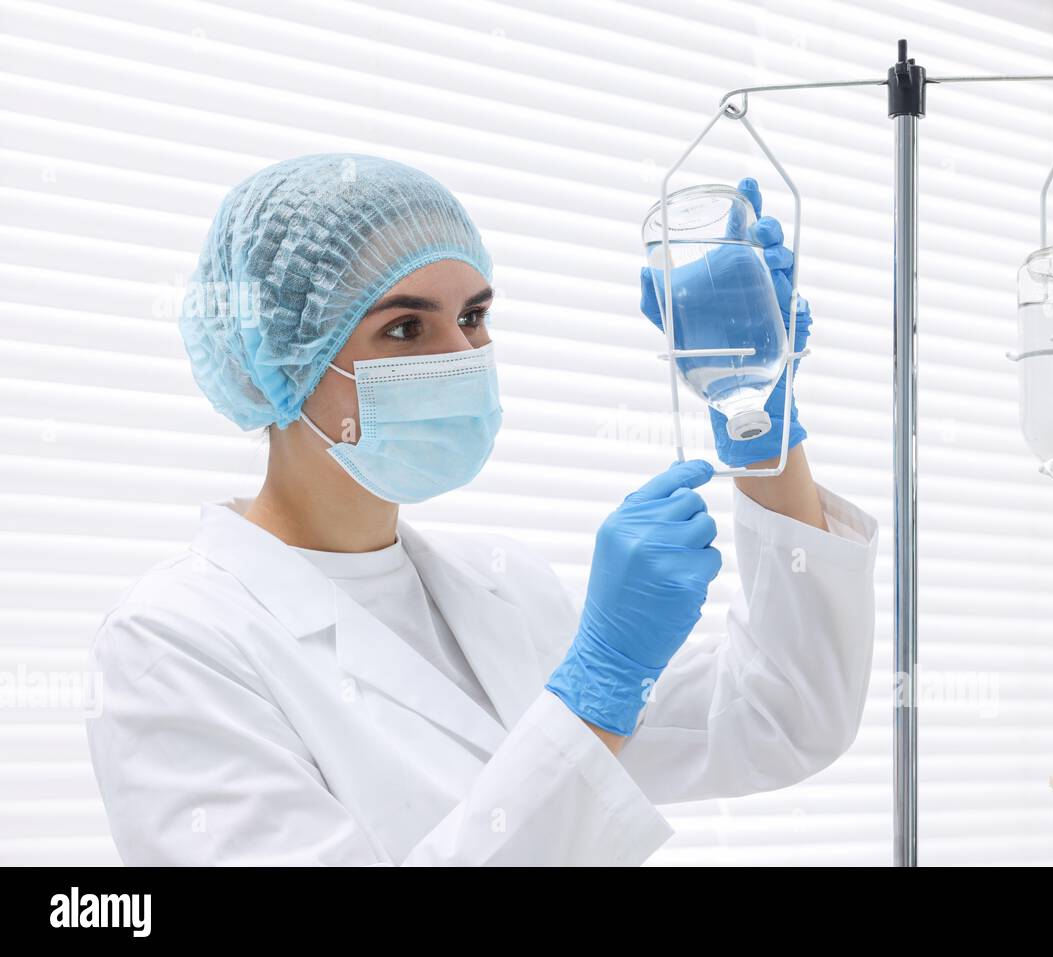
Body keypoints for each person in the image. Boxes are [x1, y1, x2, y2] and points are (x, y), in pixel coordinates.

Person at [84, 154, 879, 866]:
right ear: (278, 355)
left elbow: (786, 714)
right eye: (405, 326)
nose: (464, 357)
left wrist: (757, 407)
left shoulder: (505, 590)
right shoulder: (175, 644)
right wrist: (595, 692)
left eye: (472, 316)